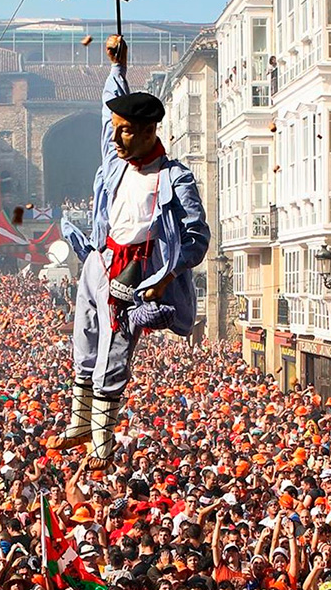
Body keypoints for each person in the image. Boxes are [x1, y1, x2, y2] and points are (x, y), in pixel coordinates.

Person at [52, 33, 211, 470]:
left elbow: (197, 237)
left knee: (114, 347)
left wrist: (165, 278)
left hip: (136, 272)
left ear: (148, 132)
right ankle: (81, 420)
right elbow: (109, 118)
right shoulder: (114, 162)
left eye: (127, 132)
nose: (118, 140)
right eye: (117, 131)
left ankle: (103, 437)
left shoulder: (175, 177)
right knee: (84, 334)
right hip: (100, 258)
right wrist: (118, 68)